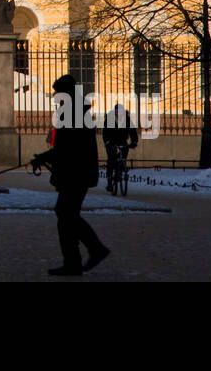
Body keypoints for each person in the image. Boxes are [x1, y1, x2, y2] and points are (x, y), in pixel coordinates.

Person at [30, 74, 110, 276]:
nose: (56, 97)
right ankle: (76, 259)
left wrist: (42, 158)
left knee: (66, 215)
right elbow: (66, 148)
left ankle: (91, 251)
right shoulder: (75, 112)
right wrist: (45, 157)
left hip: (75, 174)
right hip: (76, 173)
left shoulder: (73, 115)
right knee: (66, 215)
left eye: (58, 93)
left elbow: (66, 149)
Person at [102, 102, 139, 186]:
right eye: (117, 111)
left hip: (122, 140)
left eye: (120, 111)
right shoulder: (109, 119)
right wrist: (107, 142)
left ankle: (121, 165)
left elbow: (132, 131)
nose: (118, 113)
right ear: (114, 111)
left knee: (125, 151)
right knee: (111, 159)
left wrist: (134, 141)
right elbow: (105, 132)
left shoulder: (127, 119)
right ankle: (109, 179)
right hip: (111, 141)